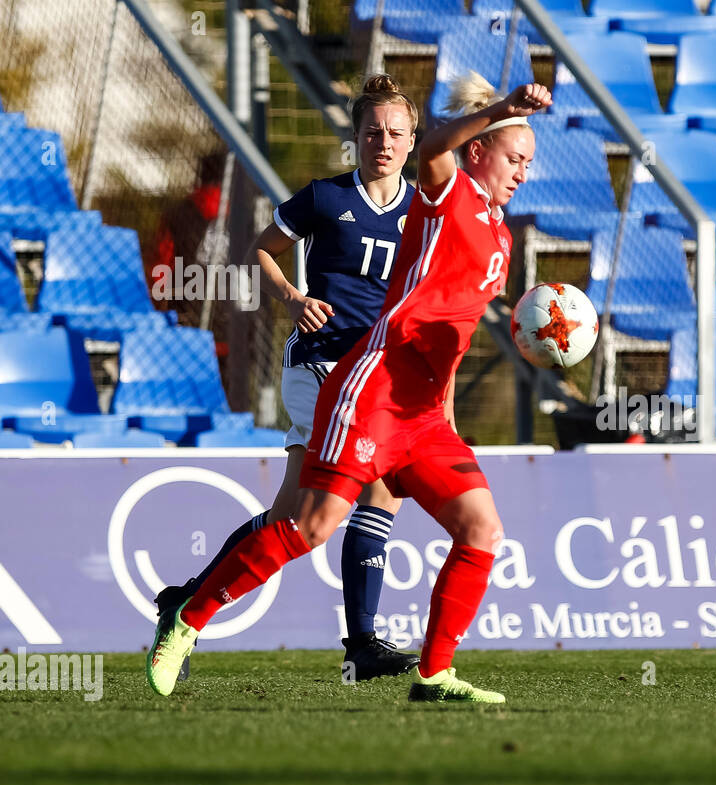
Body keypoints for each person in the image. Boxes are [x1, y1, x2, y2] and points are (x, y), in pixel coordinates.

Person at [146, 73, 552, 704]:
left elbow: (456, 333)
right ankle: (188, 617)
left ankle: (432, 674)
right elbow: (436, 149)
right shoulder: (448, 193)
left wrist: (450, 407)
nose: (523, 171)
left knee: (481, 530)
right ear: (481, 151)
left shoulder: (500, 234)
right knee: (310, 525)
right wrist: (503, 107)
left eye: (529, 161)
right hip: (373, 385)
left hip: (424, 411)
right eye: (515, 157)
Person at [153, 75, 421, 681]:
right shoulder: (327, 198)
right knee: (325, 508)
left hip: (377, 374)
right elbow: (263, 246)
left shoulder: (422, 211)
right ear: (355, 138)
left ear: (411, 142)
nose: (383, 141)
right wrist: (293, 297)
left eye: (395, 133)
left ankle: (193, 605)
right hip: (321, 365)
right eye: (372, 131)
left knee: (308, 514)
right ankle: (358, 642)